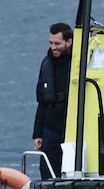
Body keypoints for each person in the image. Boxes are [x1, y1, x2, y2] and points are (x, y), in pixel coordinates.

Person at [32, 21, 75, 177]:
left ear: (69, 42)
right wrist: (37, 133)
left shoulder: (78, 64)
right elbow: (42, 101)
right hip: (50, 130)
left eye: (57, 43)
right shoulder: (46, 64)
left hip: (73, 131)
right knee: (47, 175)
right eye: (51, 43)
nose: (53, 47)